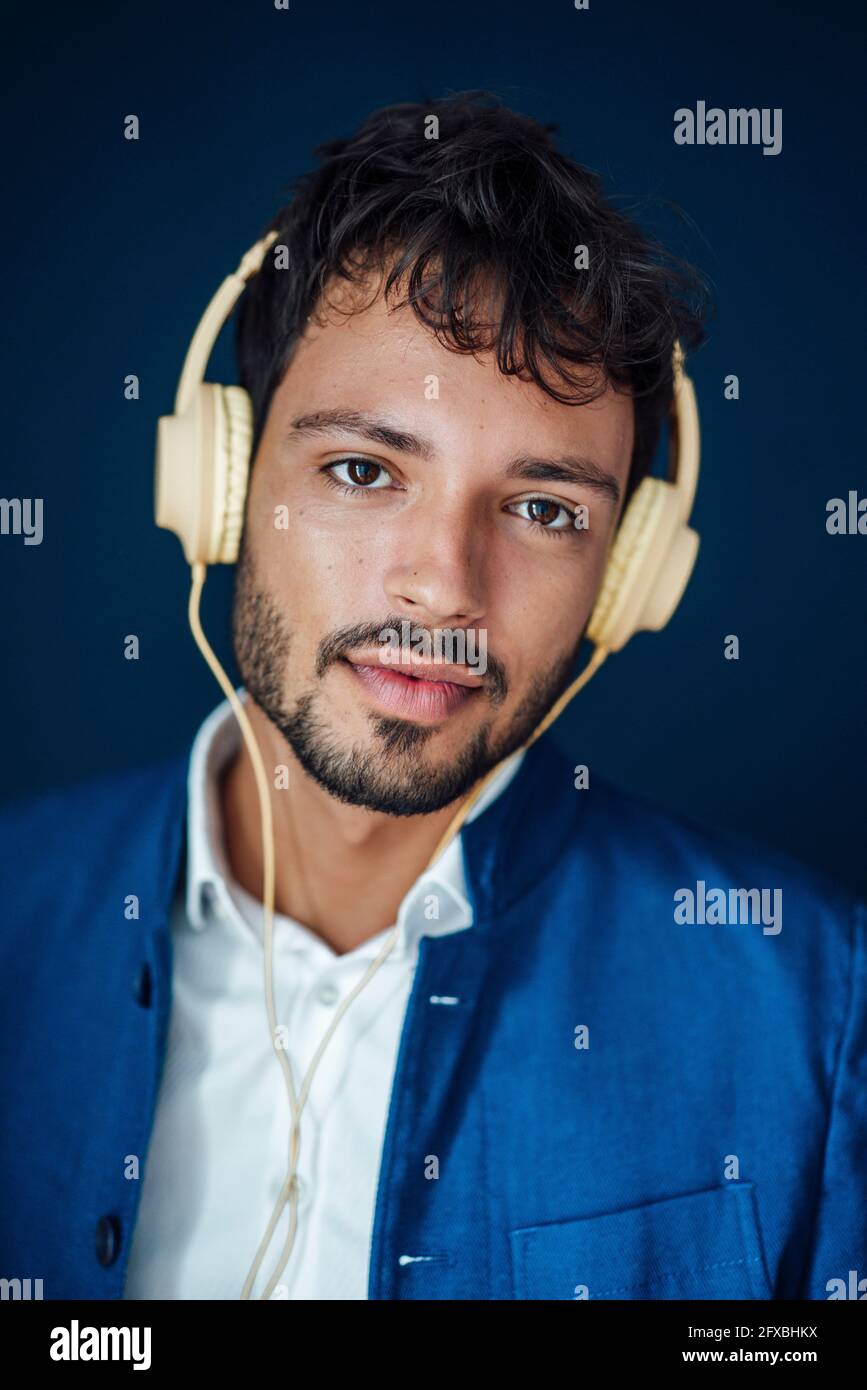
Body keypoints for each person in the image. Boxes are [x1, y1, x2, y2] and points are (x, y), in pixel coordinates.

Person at [0, 92, 863, 1302]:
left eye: (545, 509)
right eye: (364, 470)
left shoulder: (819, 1005)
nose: (444, 586)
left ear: (628, 581)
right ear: (224, 486)